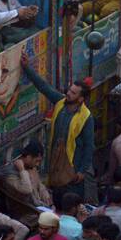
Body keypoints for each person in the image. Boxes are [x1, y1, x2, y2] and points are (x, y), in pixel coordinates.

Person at [21, 50, 96, 200]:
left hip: (72, 167)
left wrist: (81, 171)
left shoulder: (86, 117)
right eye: (70, 90)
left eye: (73, 93)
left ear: (81, 99)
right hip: (55, 160)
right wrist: (27, 68)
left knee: (71, 198)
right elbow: (43, 87)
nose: (69, 93)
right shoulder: (60, 102)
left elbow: (89, 146)